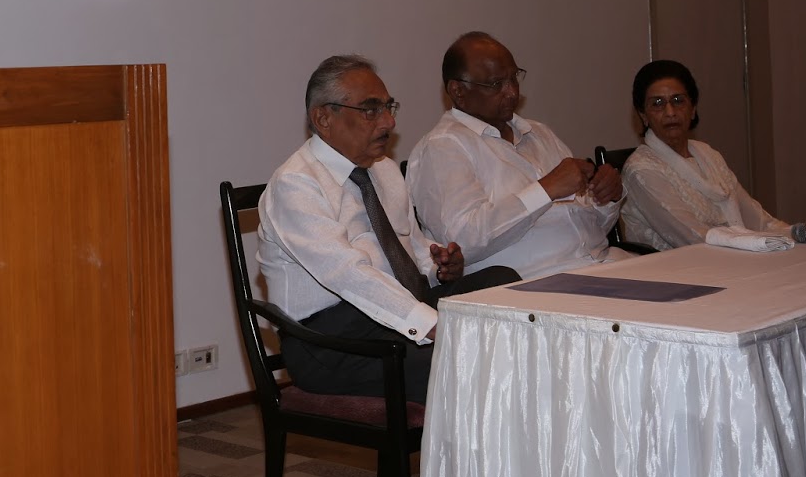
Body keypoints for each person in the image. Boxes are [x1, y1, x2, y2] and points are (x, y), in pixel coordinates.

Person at [257, 55, 518, 402]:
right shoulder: (296, 185)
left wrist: (437, 266)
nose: (389, 121)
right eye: (371, 110)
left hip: (393, 312)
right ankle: (474, 452)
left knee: (501, 282)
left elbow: (409, 244)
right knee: (457, 360)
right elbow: (349, 275)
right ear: (323, 118)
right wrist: (431, 325)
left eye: (388, 107)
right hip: (331, 341)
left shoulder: (383, 169)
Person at [406, 32, 625, 281]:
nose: (512, 92)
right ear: (458, 91)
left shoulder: (540, 133)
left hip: (602, 262)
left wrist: (606, 199)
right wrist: (545, 190)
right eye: (496, 84)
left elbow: (588, 229)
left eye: (514, 78)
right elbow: (463, 240)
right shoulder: (443, 147)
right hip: (536, 284)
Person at [619, 59, 789, 250]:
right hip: (678, 270)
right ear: (643, 116)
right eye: (657, 103)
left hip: (733, 253)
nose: (670, 112)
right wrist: (755, 245)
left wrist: (794, 234)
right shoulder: (641, 170)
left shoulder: (708, 155)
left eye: (678, 100)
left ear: (693, 109)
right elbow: (692, 237)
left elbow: (756, 219)